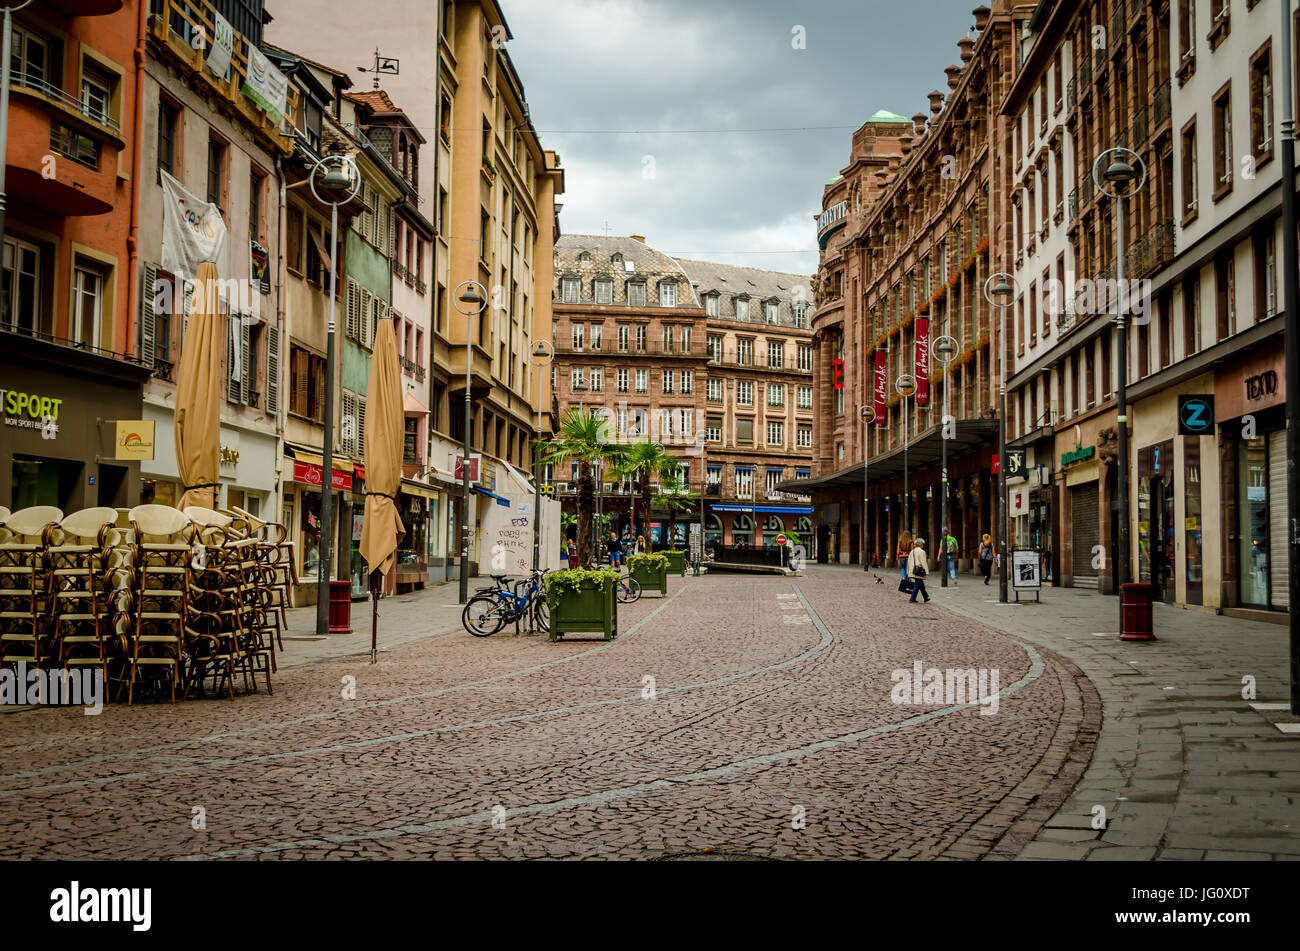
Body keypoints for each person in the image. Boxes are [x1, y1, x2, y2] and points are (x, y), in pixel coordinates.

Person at [908, 537, 931, 603]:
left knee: (920, 583)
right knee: (917, 584)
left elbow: (909, 562)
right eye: (923, 544)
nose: (923, 545)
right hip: (919, 571)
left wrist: (908, 571)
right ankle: (912, 598)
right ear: (920, 544)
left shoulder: (912, 551)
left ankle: (926, 597)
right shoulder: (922, 552)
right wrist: (927, 571)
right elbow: (923, 562)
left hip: (913, 570)